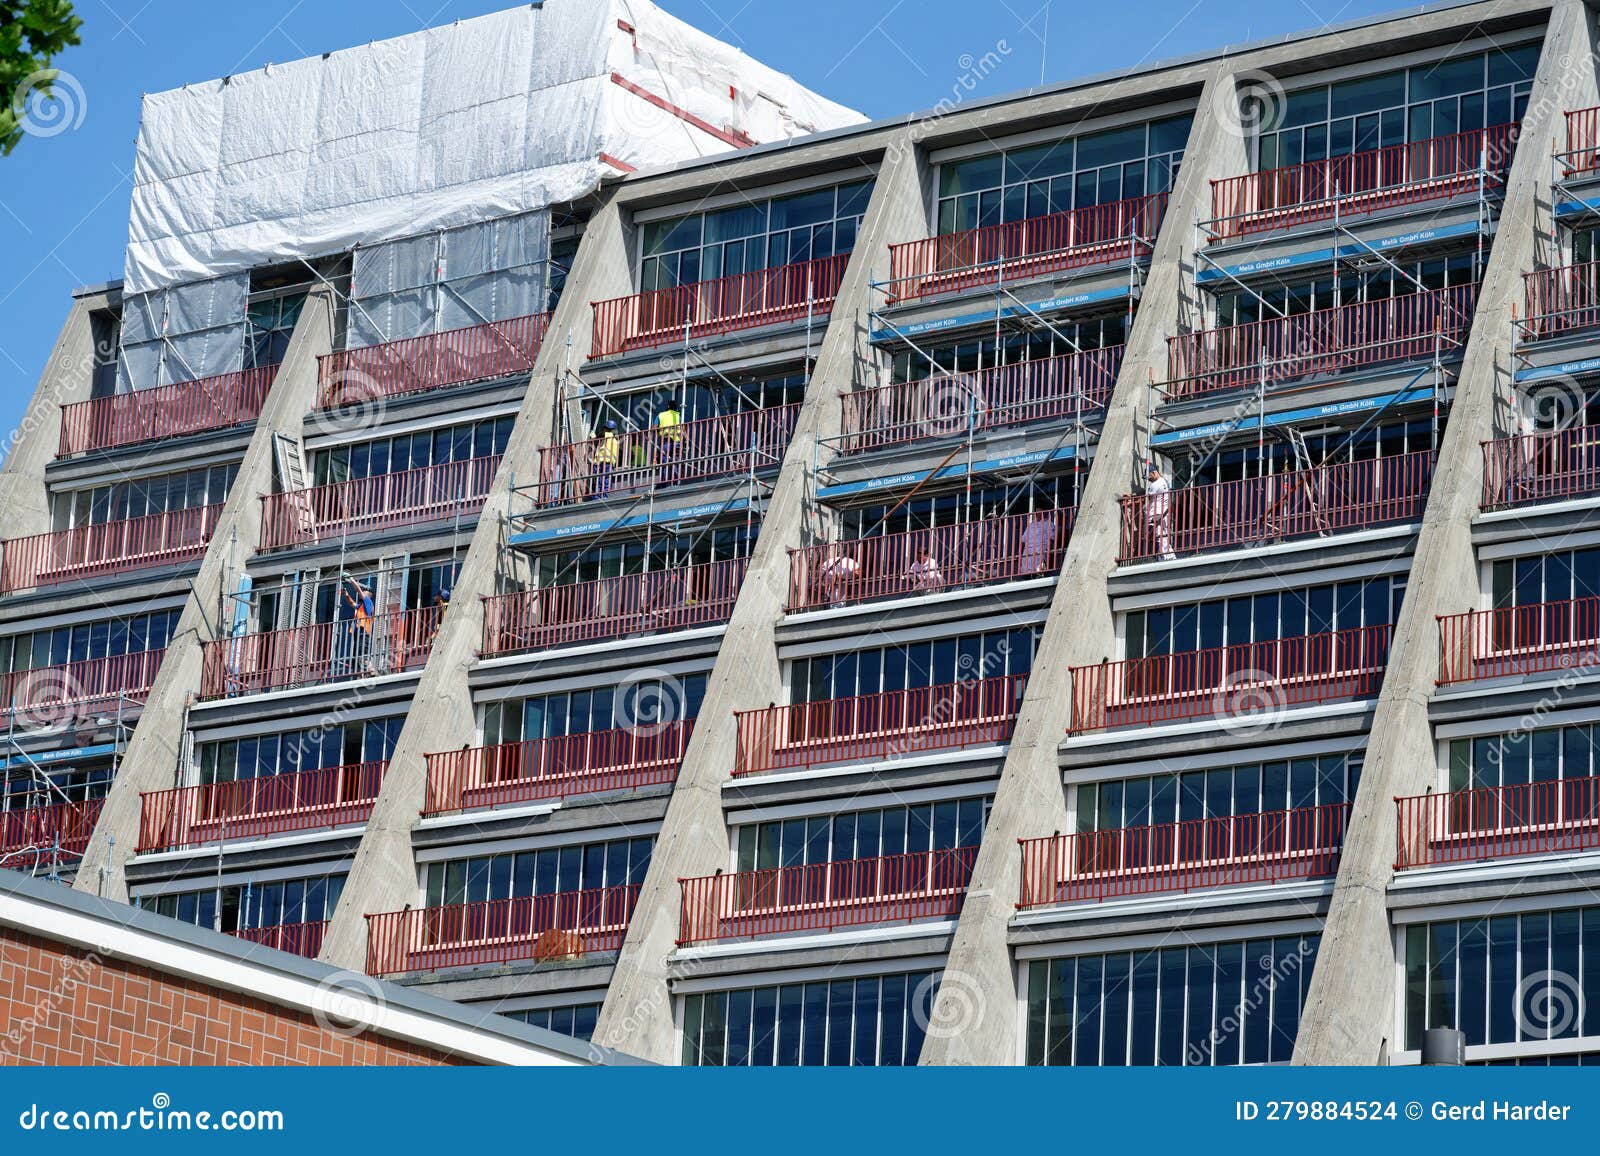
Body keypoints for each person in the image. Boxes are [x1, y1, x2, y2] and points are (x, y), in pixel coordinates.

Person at [1144, 461, 1175, 560]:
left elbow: (1147, 498)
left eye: (1149, 477)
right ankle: (1167, 555)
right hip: (1163, 512)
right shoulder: (1164, 481)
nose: (1149, 480)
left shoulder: (1155, 484)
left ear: (1154, 473)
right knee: (1163, 534)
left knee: (1158, 534)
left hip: (1156, 513)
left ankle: (1166, 556)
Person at [1018, 511, 1057, 575]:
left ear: (1045, 513)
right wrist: (1019, 552)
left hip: (1040, 550)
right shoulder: (1031, 525)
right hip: (1028, 552)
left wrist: (1048, 549)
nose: (1037, 514)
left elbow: (1051, 538)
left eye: (1039, 511)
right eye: (1036, 512)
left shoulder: (1049, 524)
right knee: (1027, 573)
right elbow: (1023, 539)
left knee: (1039, 572)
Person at [655, 399, 684, 484]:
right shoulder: (677, 416)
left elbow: (654, 427)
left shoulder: (661, 415)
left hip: (666, 441)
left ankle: (665, 481)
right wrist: (685, 441)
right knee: (675, 461)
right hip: (677, 442)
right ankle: (675, 481)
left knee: (665, 462)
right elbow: (682, 430)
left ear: (668, 406)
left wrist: (658, 432)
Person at [591, 421, 620, 496]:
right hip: (610, 462)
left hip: (601, 461)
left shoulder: (605, 434)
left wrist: (592, 435)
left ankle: (597, 496)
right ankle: (604, 495)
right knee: (606, 479)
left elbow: (595, 440)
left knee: (598, 479)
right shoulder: (615, 440)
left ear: (605, 428)